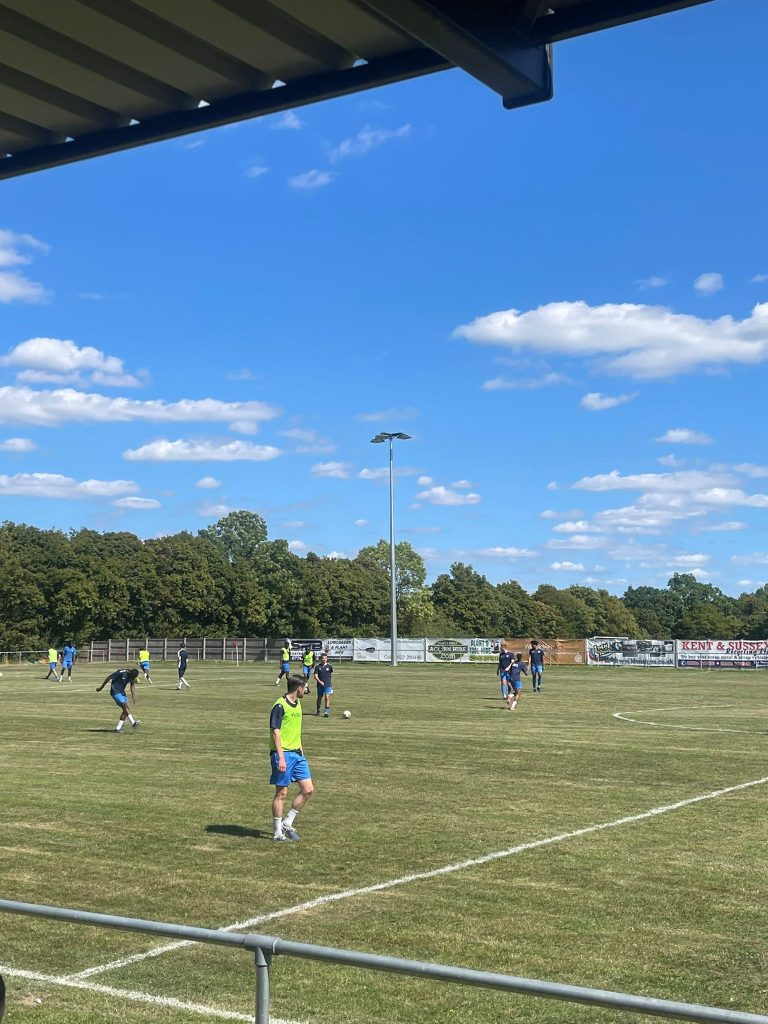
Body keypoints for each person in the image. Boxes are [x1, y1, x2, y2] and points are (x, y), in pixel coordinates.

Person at [270, 674, 313, 842]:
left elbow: (295, 729)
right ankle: (277, 833)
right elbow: (276, 732)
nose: (307, 690)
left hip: (297, 753)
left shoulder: (298, 703)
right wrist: (280, 758)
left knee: (308, 789)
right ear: (299, 688)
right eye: (306, 687)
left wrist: (301, 748)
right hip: (283, 754)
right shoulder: (280, 706)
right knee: (282, 793)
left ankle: (287, 823)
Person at [96, 667, 140, 732]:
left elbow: (132, 685)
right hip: (115, 691)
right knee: (124, 706)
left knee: (126, 709)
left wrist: (133, 695)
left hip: (122, 692)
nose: (132, 679)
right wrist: (101, 688)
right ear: (130, 673)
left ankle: (118, 729)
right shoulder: (122, 672)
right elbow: (109, 677)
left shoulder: (132, 676)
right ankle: (133, 722)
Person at [314, 653, 334, 717]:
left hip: (327, 685)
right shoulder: (317, 667)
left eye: (325, 658)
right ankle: (318, 710)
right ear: (321, 659)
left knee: (327, 698)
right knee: (319, 698)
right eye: (323, 658)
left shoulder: (330, 667)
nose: (324, 659)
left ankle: (326, 712)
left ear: (327, 659)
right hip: (320, 685)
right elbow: (315, 676)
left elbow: (330, 674)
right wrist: (320, 681)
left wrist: (329, 684)